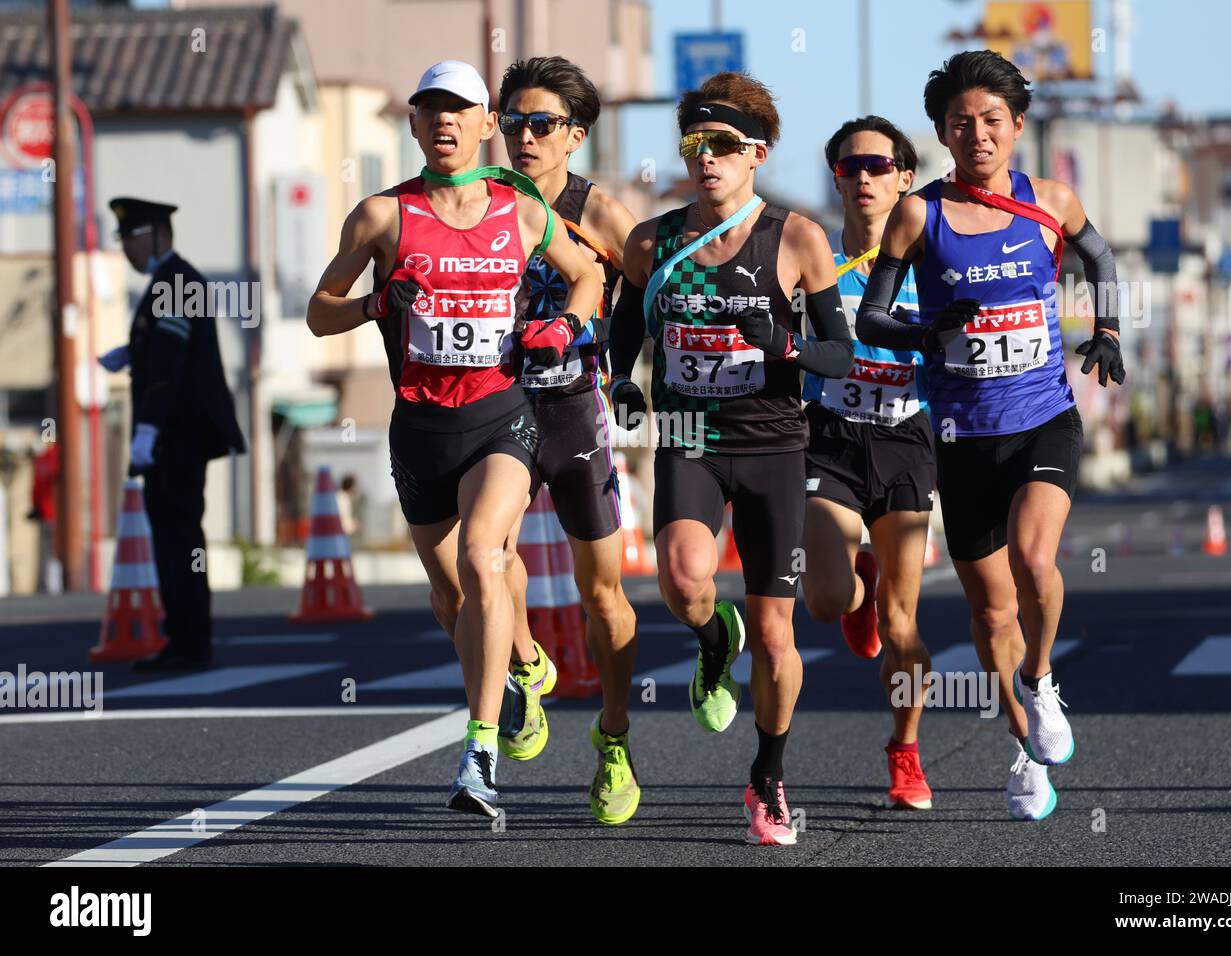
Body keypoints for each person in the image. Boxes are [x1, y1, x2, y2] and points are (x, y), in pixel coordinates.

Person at [306, 60, 603, 818]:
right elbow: (319, 312)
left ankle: (477, 754)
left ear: (484, 124)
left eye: (460, 110)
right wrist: (377, 302)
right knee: (451, 595)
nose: (444, 122)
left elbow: (588, 274)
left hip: (501, 415)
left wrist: (565, 326)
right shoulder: (381, 216)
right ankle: (526, 667)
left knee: (483, 557)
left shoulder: (522, 207)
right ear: (412, 124)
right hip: (420, 427)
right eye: (429, 110)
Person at [855, 50, 1126, 821]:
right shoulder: (919, 213)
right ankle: (1024, 747)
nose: (977, 134)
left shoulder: (1051, 200)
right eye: (961, 123)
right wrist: (924, 326)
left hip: (1042, 416)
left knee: (1036, 560)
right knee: (991, 612)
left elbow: (1098, 255)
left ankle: (1041, 681)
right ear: (943, 131)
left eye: (991, 121)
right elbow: (874, 316)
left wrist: (1107, 330)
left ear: (1016, 127)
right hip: (963, 434)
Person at [609, 71, 852, 846]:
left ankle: (768, 775)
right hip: (688, 435)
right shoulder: (656, 240)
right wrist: (621, 381)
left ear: (756, 154)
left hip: (776, 442)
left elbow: (839, 358)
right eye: (694, 144)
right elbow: (626, 324)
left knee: (779, 639)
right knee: (684, 582)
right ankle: (716, 642)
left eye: (721, 146)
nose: (705, 159)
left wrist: (781, 344)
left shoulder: (800, 238)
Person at [499, 55, 642, 825]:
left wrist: (629, 371)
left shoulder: (603, 212)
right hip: (494, 406)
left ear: (574, 135)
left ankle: (613, 739)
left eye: (542, 124)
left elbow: (659, 289)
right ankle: (526, 662)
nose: (525, 136)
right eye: (513, 122)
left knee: (601, 593)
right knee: (475, 563)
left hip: (574, 408)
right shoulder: (483, 201)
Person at [801, 116, 935, 811]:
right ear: (836, 180)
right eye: (850, 168)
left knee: (903, 620)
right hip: (830, 437)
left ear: (904, 179)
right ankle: (856, 580)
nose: (864, 178)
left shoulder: (929, 266)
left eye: (879, 167)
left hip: (906, 439)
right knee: (824, 601)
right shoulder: (811, 259)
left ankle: (905, 750)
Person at [100, 196, 246, 671]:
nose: (126, 250)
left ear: (158, 236)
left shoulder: (178, 280)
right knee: (173, 536)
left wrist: (146, 430)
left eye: (131, 239)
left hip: (177, 434)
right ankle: (184, 638)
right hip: (174, 432)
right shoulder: (170, 281)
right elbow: (161, 347)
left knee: (178, 537)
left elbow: (169, 362)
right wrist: (132, 352)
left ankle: (189, 643)